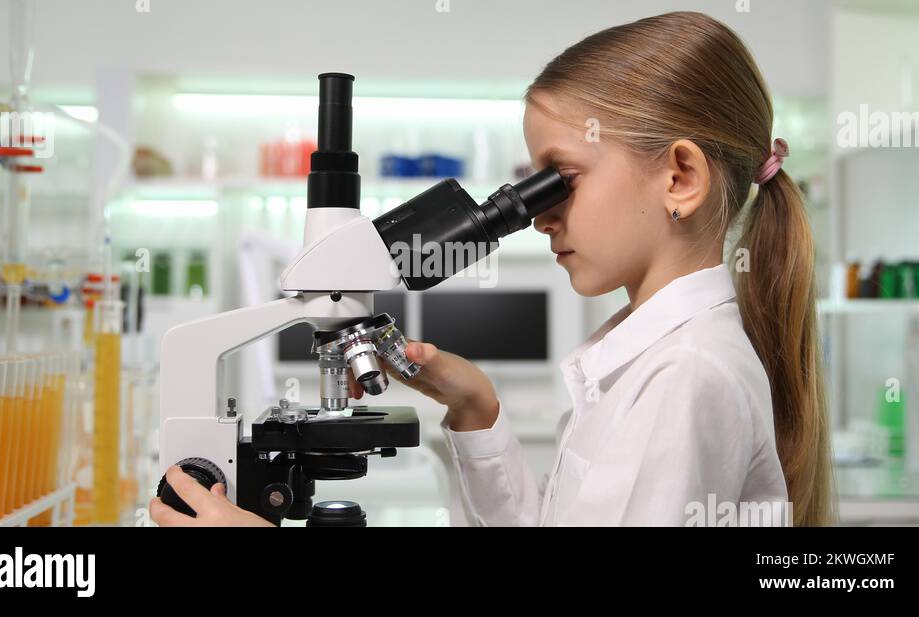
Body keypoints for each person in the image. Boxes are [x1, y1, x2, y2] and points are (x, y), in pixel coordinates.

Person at [151, 11, 833, 527]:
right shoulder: (657, 359)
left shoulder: (684, 376)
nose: (538, 214)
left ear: (679, 177)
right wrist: (475, 410)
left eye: (560, 179)